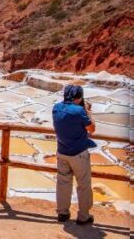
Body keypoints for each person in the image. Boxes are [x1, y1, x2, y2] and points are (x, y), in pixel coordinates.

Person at [53, 84, 96, 225]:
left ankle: (62, 213)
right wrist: (88, 111)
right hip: (78, 154)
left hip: (62, 152)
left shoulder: (56, 108)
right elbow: (92, 129)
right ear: (79, 97)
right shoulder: (79, 111)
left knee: (63, 183)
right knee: (83, 184)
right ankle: (83, 216)